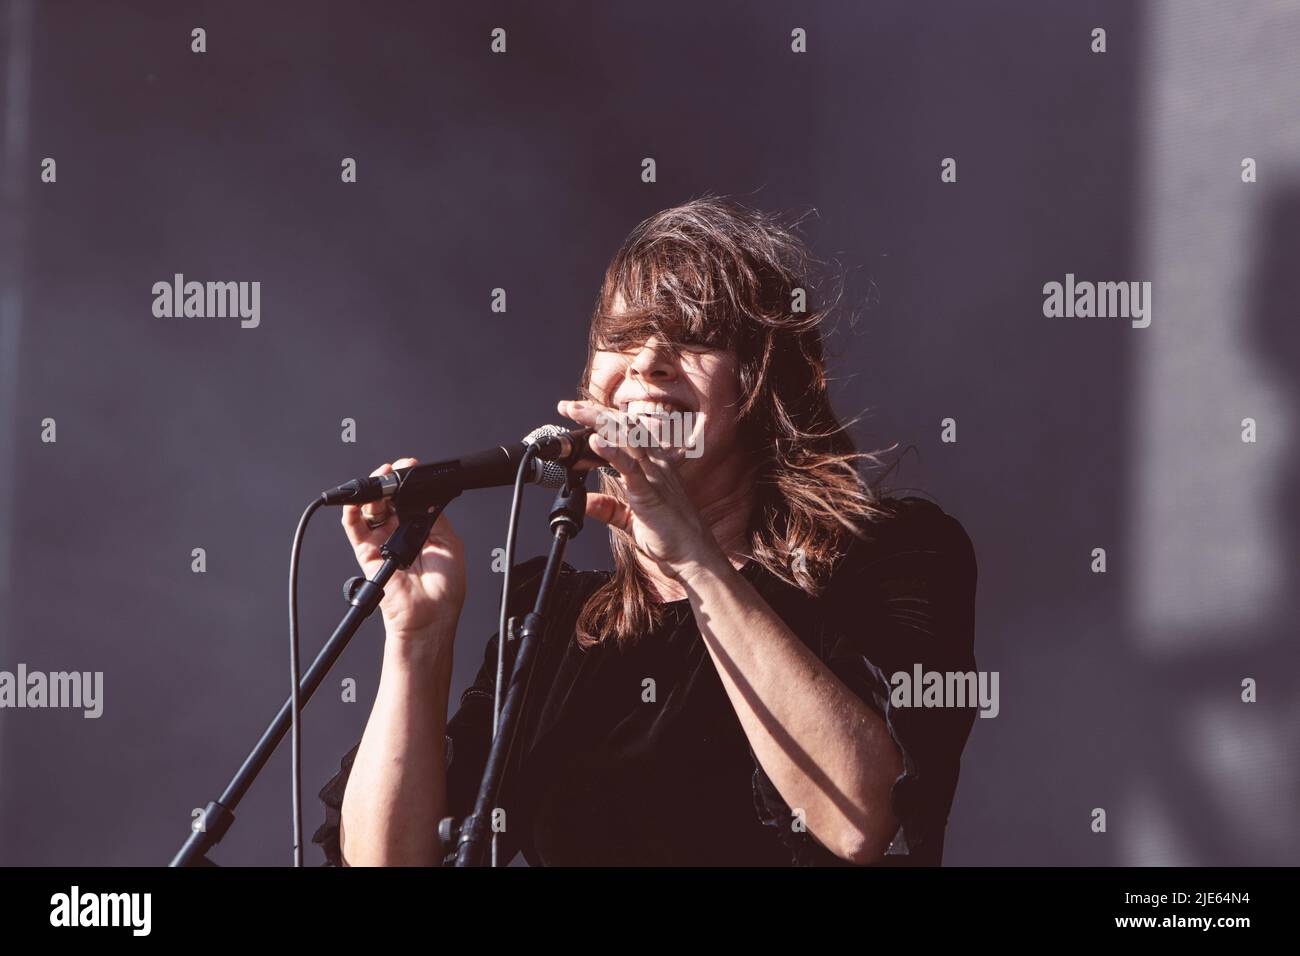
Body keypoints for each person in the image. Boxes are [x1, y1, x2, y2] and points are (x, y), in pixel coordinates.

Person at [313, 196, 978, 866]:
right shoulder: (557, 619)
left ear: (761, 385)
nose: (650, 361)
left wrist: (695, 560)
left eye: (696, 338)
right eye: (624, 338)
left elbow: (861, 821)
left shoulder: (891, 554)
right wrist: (417, 640)